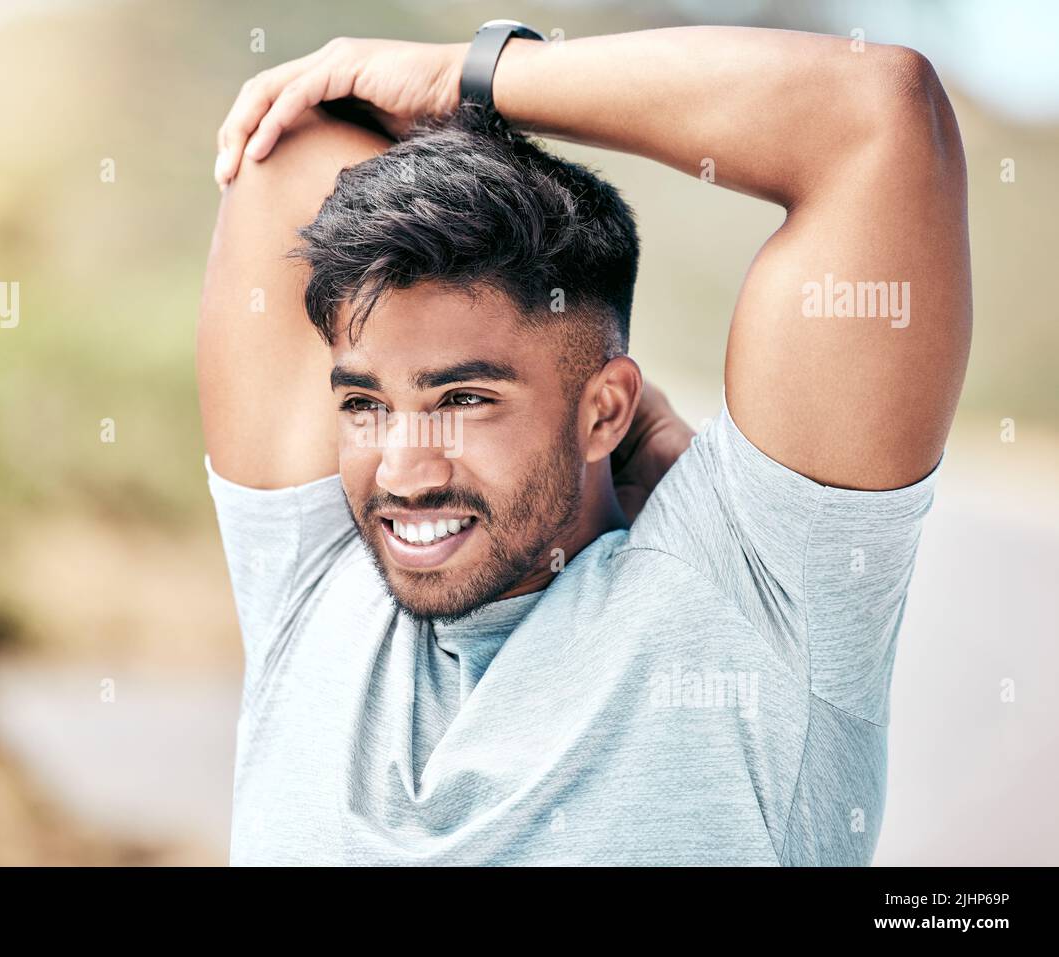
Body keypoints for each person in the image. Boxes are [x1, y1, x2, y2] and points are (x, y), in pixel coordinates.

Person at [197, 25, 970, 865]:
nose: (402, 472)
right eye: (364, 403)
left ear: (605, 411)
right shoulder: (313, 576)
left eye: (464, 398)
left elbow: (873, 114)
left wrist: (463, 73)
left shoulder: (755, 596)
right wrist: (473, 161)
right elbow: (289, 142)